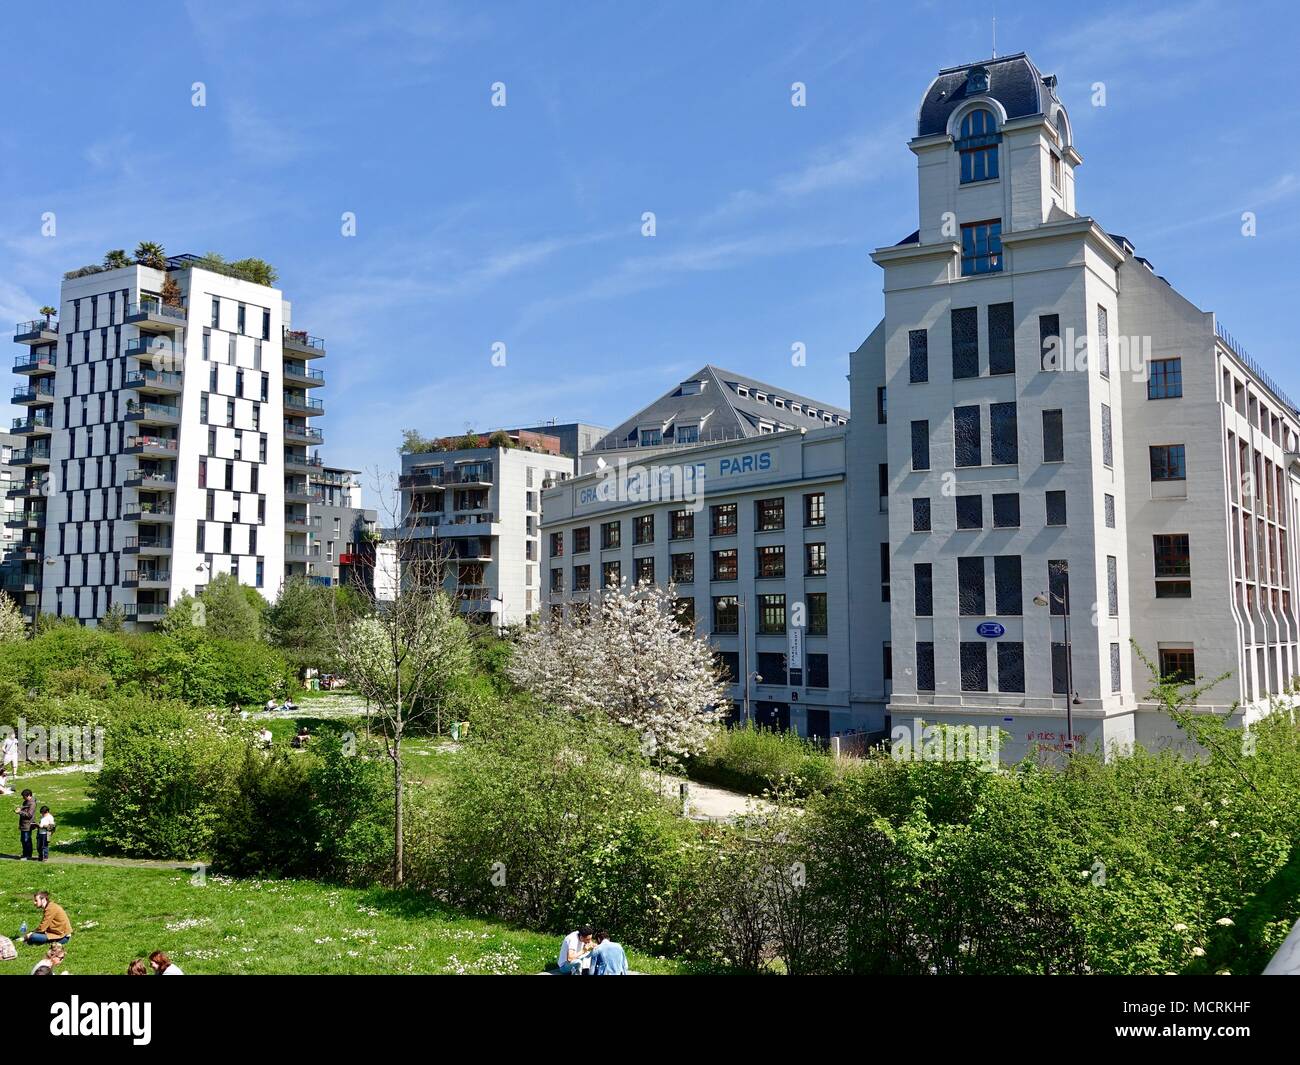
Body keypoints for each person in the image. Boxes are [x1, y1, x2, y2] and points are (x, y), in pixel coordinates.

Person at [16, 788, 35, 860]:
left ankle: (28, 855)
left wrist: (20, 812)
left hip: (28, 825)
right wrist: (19, 809)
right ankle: (25, 854)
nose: (23, 798)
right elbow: (24, 810)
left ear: (29, 795)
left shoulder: (32, 803)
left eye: (24, 796)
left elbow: (29, 815)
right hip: (23, 824)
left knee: (27, 840)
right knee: (23, 840)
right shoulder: (25, 802)